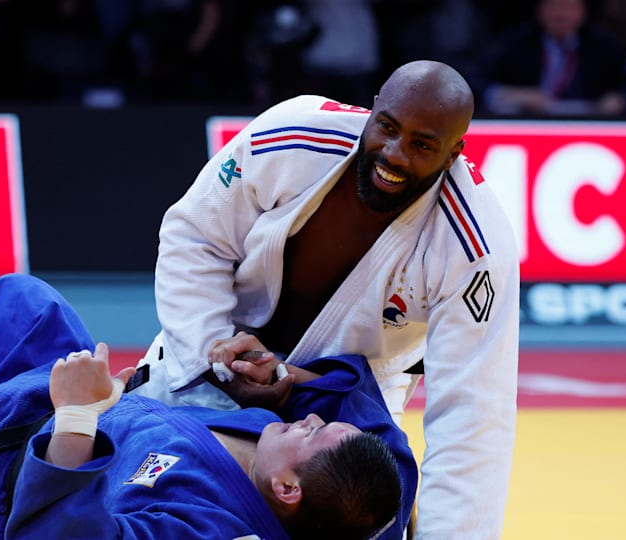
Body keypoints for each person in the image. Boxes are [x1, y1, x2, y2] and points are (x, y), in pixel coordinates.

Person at [132, 60, 520, 538]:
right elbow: (196, 236)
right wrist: (212, 357)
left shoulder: (474, 247)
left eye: (423, 145)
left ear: (455, 152)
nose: (394, 155)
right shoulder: (292, 134)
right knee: (147, 495)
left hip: (340, 417)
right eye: (388, 128)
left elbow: (471, 416)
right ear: (374, 107)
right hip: (208, 368)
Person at [0, 273, 417, 540]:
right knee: (25, 301)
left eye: (310, 432)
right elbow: (364, 412)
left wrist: (77, 418)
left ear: (288, 490)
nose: (309, 416)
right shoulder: (362, 501)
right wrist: (285, 377)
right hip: (67, 413)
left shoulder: (208, 528)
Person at [479, 0, 626, 115]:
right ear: (540, 10)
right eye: (554, 6)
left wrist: (619, 98)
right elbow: (478, 83)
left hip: (588, 122)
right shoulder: (514, 44)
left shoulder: (604, 46)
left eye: (569, 7)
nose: (561, 15)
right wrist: (512, 94)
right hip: (530, 121)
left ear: (583, 12)